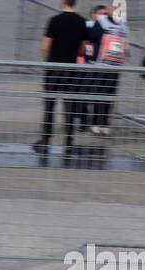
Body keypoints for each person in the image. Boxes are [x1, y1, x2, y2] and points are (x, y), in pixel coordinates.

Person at [34, 0, 89, 155]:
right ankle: (69, 142)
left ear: (63, 2)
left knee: (49, 107)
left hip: (54, 69)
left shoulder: (54, 21)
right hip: (71, 69)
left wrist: (49, 60)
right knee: (70, 107)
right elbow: (83, 49)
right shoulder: (82, 22)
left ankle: (45, 141)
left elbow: (46, 46)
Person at [84, 2, 129, 135]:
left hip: (115, 66)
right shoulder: (101, 22)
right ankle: (95, 123)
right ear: (110, 10)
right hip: (101, 64)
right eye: (114, 9)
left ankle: (104, 123)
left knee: (109, 95)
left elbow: (125, 44)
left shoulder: (123, 26)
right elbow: (91, 38)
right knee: (99, 94)